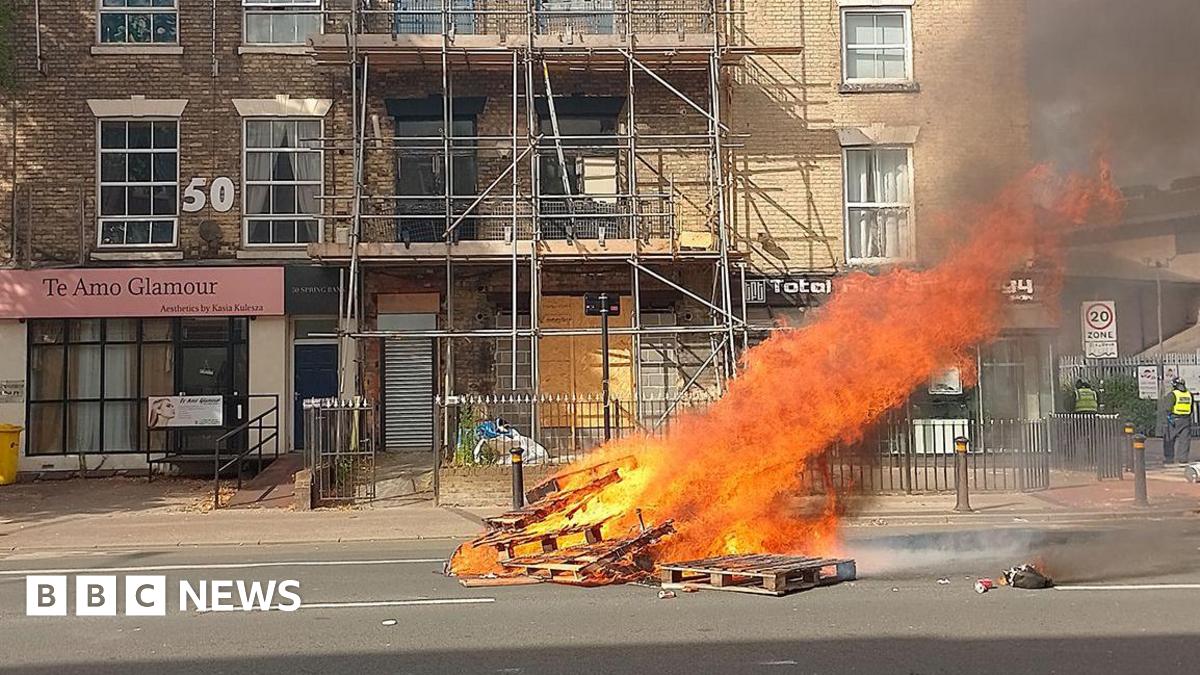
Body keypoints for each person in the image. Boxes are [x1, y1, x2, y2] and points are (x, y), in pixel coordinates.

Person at [1162, 377, 1192, 465]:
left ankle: (1169, 459)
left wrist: (1168, 417)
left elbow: (1167, 407)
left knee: (1169, 439)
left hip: (1174, 419)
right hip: (1186, 419)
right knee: (1184, 441)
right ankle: (1183, 459)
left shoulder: (1172, 394)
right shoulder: (1189, 394)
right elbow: (1191, 407)